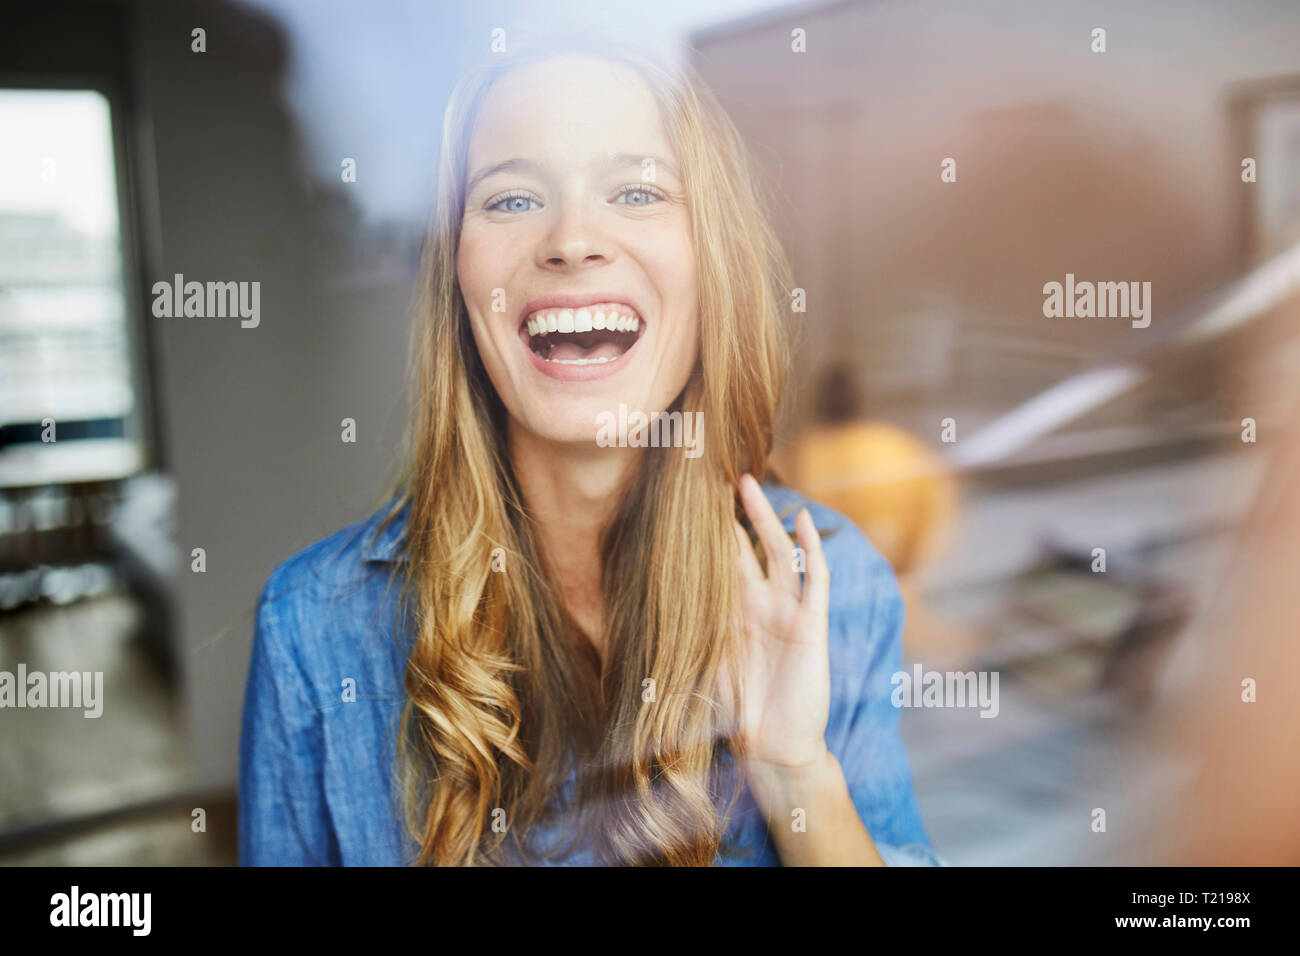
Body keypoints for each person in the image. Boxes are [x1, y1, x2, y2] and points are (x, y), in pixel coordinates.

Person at [238, 43, 942, 866]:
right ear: (458, 285)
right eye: (512, 199)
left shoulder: (829, 582)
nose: (572, 240)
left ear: (713, 264)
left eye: (637, 191)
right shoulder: (312, 628)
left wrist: (793, 773)